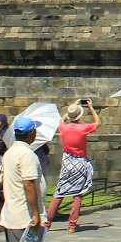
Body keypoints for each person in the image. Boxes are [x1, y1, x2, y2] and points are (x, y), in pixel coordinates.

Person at [0, 116, 48, 242]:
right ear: (30, 133)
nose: (36, 133)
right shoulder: (27, 155)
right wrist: (36, 214)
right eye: (34, 130)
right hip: (24, 214)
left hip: (12, 212)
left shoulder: (11, 152)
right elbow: (29, 185)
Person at [45, 99, 100, 233]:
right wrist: (91, 108)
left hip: (67, 162)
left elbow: (60, 121)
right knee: (77, 195)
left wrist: (71, 108)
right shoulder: (82, 129)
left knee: (59, 193)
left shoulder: (64, 128)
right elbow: (98, 122)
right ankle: (72, 225)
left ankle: (47, 223)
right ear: (79, 116)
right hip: (80, 162)